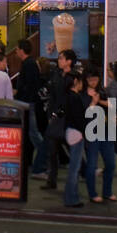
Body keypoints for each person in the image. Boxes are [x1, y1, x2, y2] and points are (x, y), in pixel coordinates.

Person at [83, 66, 117, 203]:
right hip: (92, 131)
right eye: (90, 79)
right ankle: (93, 194)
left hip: (106, 129)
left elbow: (111, 105)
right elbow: (86, 113)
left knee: (110, 163)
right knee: (92, 164)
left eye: (95, 79)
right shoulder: (83, 93)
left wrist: (99, 101)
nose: (92, 82)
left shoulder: (102, 91)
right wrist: (93, 102)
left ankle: (107, 192)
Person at [41, 49, 77, 189]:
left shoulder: (73, 77)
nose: (59, 60)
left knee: (71, 148)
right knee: (53, 149)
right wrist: (51, 114)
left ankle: (85, 172)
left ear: (69, 61)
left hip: (67, 118)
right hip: (56, 117)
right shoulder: (56, 74)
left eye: (61, 58)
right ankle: (51, 180)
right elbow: (52, 95)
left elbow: (70, 99)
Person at [13, 39, 49, 178]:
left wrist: (21, 97)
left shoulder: (29, 64)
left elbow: (30, 86)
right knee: (31, 134)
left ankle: (42, 163)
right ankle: (41, 163)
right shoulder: (29, 63)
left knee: (34, 134)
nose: (16, 51)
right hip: (27, 103)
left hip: (27, 104)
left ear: (22, 50)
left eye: (17, 49)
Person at [60, 72, 90, 207]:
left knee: (74, 167)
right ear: (76, 81)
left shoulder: (66, 96)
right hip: (76, 133)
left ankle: (71, 197)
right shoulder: (75, 97)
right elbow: (80, 119)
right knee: (74, 168)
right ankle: (71, 198)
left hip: (69, 132)